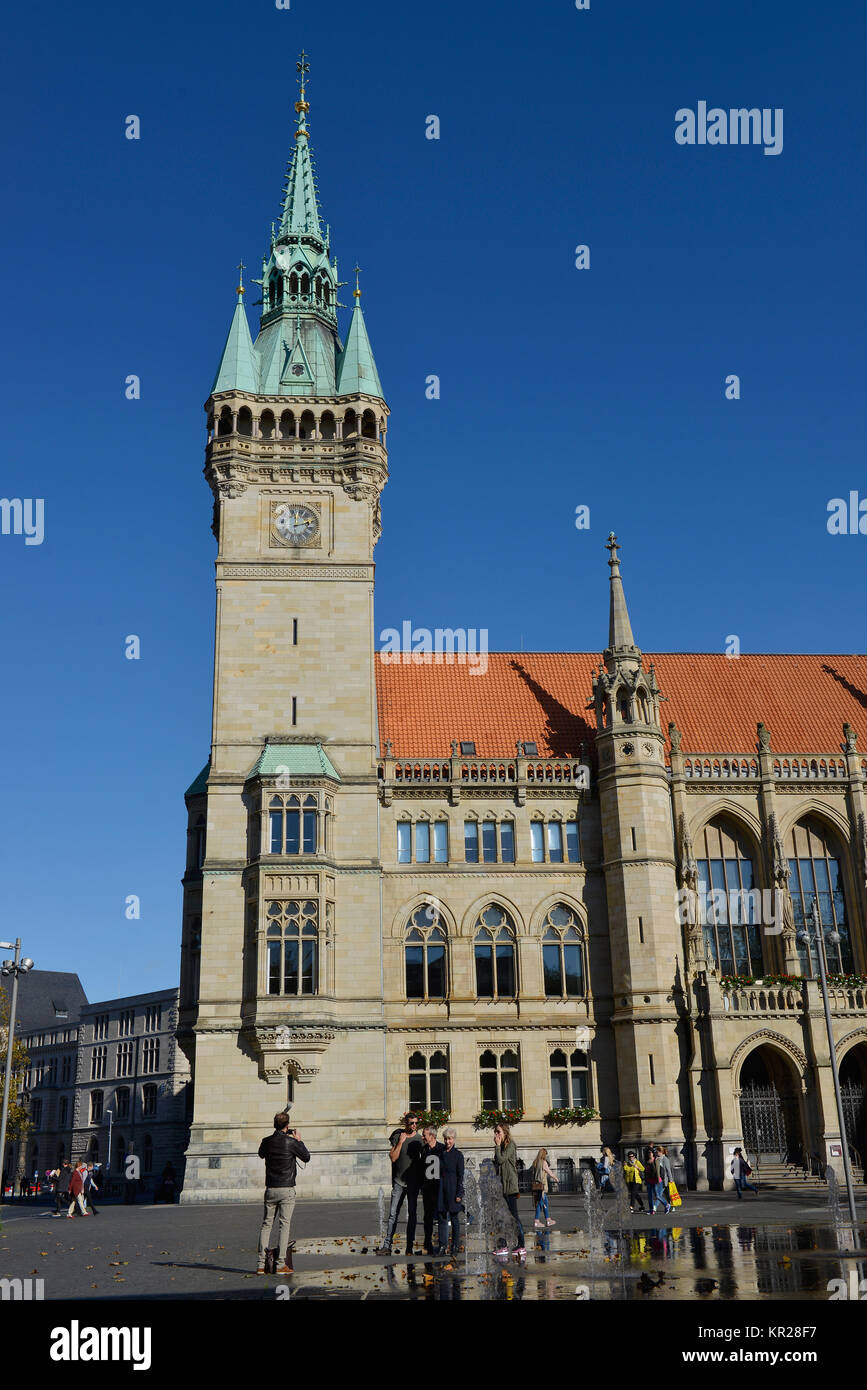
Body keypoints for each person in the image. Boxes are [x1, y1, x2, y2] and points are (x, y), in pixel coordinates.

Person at [256, 1112, 310, 1275]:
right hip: (286, 1188)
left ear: (274, 1125)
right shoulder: (291, 1142)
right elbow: (306, 1157)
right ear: (287, 1126)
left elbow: (261, 1154)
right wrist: (298, 1141)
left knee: (267, 1224)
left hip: (271, 1188)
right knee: (284, 1225)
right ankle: (280, 1264)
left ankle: (260, 1264)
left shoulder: (267, 1141)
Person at [378, 1112, 424, 1254]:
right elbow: (393, 1157)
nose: (414, 1126)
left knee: (412, 1214)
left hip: (413, 1184)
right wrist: (400, 1142)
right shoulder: (399, 1136)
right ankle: (387, 1245)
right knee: (393, 1214)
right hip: (398, 1182)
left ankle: (409, 1246)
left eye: (416, 1123)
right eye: (411, 1123)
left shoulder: (419, 1139)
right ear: (406, 1123)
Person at [493, 1122, 525, 1257]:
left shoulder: (511, 1145)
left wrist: (497, 1146)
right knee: (500, 1216)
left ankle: (522, 1244)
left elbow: (501, 1160)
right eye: (495, 1132)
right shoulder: (502, 1146)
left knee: (514, 1217)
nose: (496, 1135)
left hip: (510, 1187)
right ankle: (502, 1245)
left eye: (498, 1132)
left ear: (505, 1132)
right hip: (502, 1186)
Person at [437, 1127, 465, 1257]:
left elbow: (461, 1176)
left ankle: (455, 1245)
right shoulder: (440, 1154)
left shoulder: (458, 1155)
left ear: (454, 1140)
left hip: (453, 1188)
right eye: (446, 1139)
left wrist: (459, 1193)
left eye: (450, 1139)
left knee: (454, 1218)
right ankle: (442, 1245)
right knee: (442, 1218)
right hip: (442, 1188)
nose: (447, 1141)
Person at [420, 1125, 444, 1253]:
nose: (422, 1137)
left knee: (441, 1215)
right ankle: (428, 1240)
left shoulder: (442, 1149)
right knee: (427, 1216)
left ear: (432, 1136)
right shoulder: (423, 1150)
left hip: (439, 1188)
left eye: (425, 1135)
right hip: (428, 1188)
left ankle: (442, 1242)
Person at [531, 1148, 558, 1228]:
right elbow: (549, 1172)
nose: (546, 1156)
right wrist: (556, 1178)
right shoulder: (543, 1162)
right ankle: (540, 1221)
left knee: (542, 1203)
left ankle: (546, 1220)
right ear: (544, 1154)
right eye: (545, 1155)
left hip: (536, 1186)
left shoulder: (535, 1162)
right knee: (542, 1203)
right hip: (542, 1186)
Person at [655, 1144, 674, 1213]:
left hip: (664, 1180)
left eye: (657, 1152)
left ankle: (654, 1208)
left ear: (661, 1152)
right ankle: (671, 1206)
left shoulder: (665, 1159)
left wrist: (671, 1180)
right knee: (666, 1194)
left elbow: (668, 1170)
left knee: (658, 1194)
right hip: (659, 1180)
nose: (656, 1153)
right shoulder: (657, 1159)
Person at [643, 1145, 661, 1214]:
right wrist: (645, 1179)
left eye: (650, 1152)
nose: (649, 1154)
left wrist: (657, 1180)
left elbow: (655, 1171)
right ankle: (651, 1210)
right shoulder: (647, 1161)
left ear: (653, 1153)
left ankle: (666, 1204)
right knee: (649, 1196)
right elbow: (645, 1171)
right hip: (648, 1181)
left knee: (657, 1195)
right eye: (648, 1153)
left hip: (654, 1181)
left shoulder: (655, 1160)